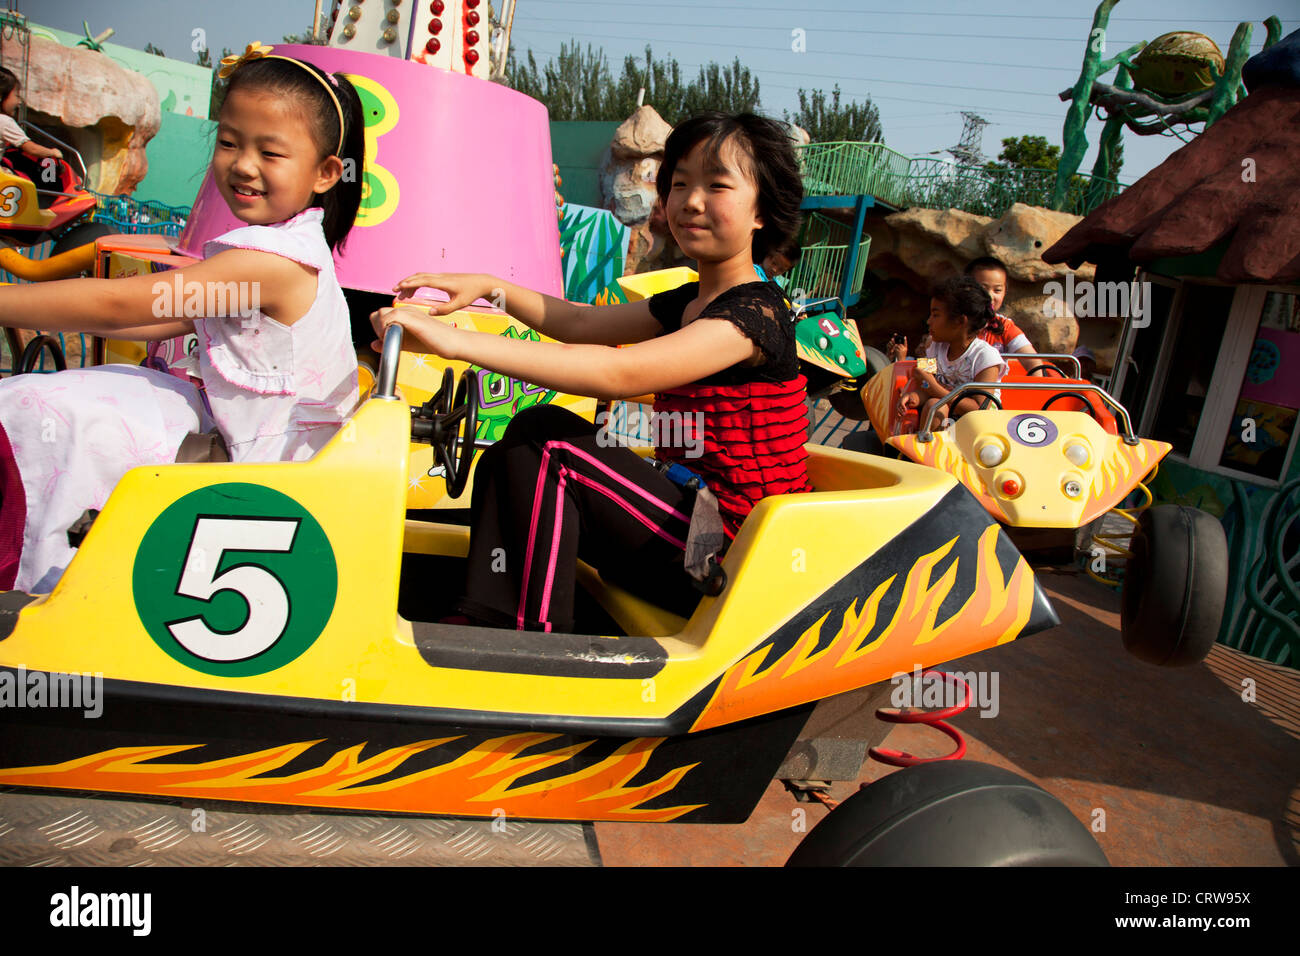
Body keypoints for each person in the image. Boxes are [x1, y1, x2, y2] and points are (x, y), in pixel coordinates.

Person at [374, 112, 811, 633]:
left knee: (552, 445)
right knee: (526, 437)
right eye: (679, 184)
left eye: (717, 186)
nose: (691, 201)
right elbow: (579, 323)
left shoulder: (753, 317)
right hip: (687, 517)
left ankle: (525, 637)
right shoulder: (688, 302)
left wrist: (458, 344)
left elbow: (619, 373)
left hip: (728, 553)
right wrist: (490, 288)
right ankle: (488, 613)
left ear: (762, 211)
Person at [0, 48, 365, 592]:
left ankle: (45, 582)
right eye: (228, 142)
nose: (242, 164)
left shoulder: (275, 264)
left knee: (39, 406)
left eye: (271, 152)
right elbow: (153, 318)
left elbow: (121, 306)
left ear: (326, 173)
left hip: (261, 470)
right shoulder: (283, 250)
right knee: (81, 390)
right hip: (242, 443)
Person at [899, 276, 1008, 428]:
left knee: (935, 405)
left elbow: (979, 409)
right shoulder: (933, 346)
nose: (928, 321)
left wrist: (933, 387)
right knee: (934, 405)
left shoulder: (986, 357)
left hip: (979, 427)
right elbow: (925, 385)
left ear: (959, 321)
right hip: (945, 412)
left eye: (936, 315)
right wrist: (913, 397)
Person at [963, 257, 1046, 373]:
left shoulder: (1005, 326)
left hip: (993, 390)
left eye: (997, 290)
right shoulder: (950, 321)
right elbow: (930, 356)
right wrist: (930, 385)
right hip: (950, 389)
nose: (990, 296)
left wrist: (1037, 385)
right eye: (983, 289)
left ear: (1005, 292)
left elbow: (1033, 362)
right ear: (966, 288)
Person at [0, 67, 64, 190]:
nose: (19, 102)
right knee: (24, 184)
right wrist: (53, 152)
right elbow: (32, 149)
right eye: (17, 96)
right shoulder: (5, 121)